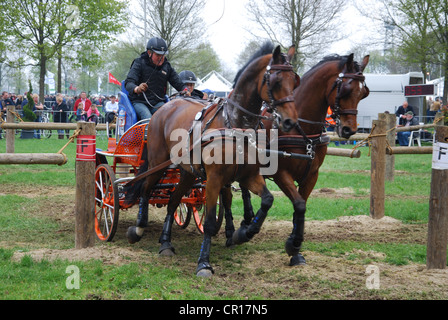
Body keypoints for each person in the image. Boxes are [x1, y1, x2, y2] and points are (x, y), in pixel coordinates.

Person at [124, 36, 189, 120]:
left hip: (157, 103)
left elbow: (177, 82)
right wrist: (137, 88)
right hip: (139, 102)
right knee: (147, 117)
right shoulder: (139, 63)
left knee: (168, 116)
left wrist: (185, 90)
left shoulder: (167, 66)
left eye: (163, 55)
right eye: (158, 55)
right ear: (149, 53)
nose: (161, 58)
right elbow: (128, 83)